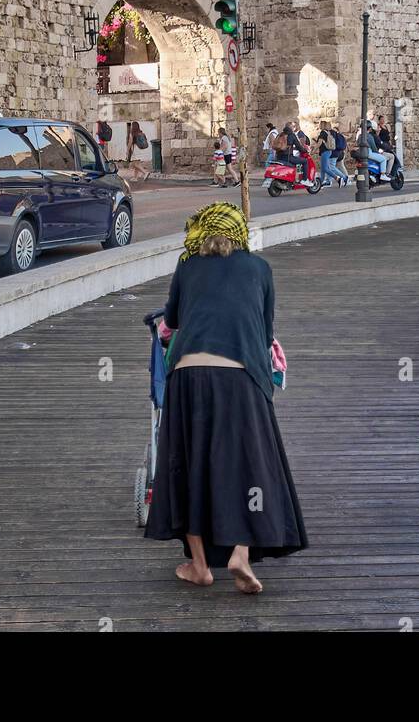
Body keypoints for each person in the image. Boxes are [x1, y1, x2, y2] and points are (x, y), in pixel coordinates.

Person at [145, 202, 308, 591]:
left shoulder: (188, 265)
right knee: (249, 463)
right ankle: (240, 553)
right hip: (240, 376)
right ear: (240, 234)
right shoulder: (259, 269)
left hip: (188, 373)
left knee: (189, 462)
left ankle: (199, 566)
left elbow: (172, 321)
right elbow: (266, 335)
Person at [317, 120, 347, 186]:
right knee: (324, 168)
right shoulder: (329, 133)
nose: (318, 126)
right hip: (331, 152)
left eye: (319, 124)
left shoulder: (323, 133)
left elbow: (319, 143)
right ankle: (322, 181)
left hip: (326, 152)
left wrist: (313, 150)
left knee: (328, 168)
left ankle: (340, 178)